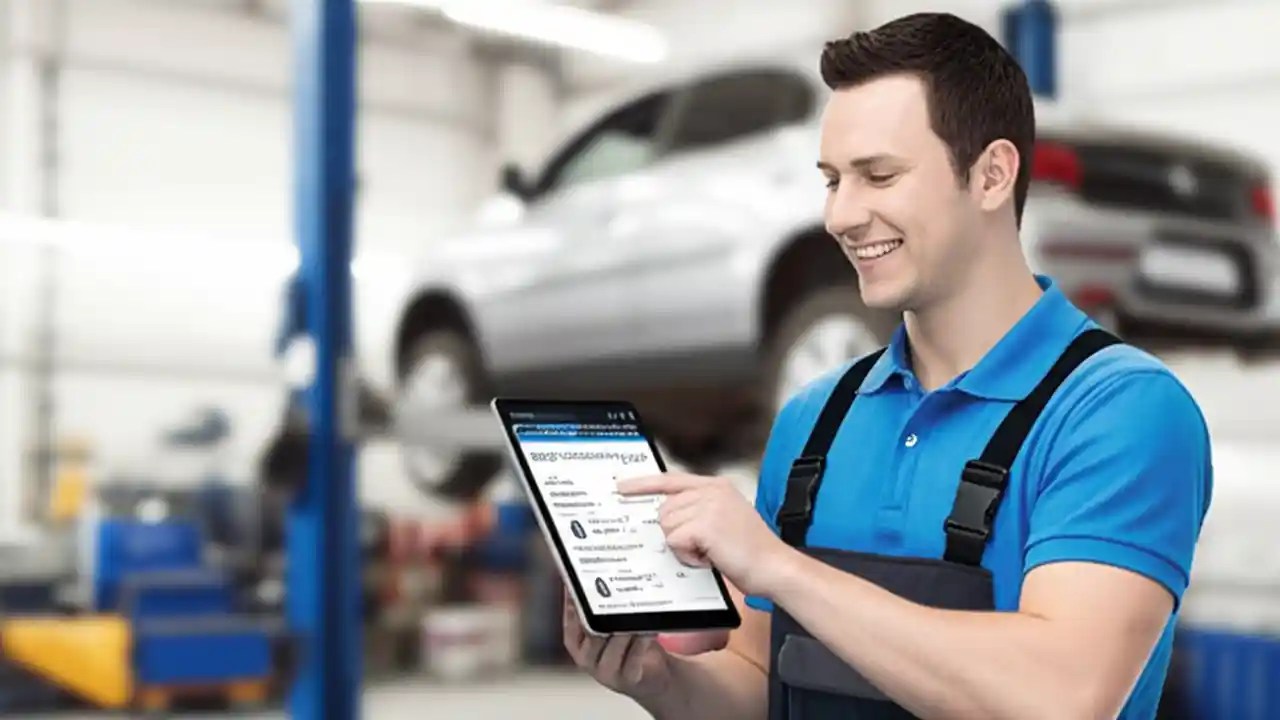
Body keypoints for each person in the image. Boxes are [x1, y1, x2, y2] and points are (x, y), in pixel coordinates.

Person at [561, 12, 1213, 720]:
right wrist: (658, 680)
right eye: (832, 180)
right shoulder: (813, 421)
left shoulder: (1122, 412)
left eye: (878, 176)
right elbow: (759, 681)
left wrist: (779, 566)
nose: (841, 214)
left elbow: (1060, 697)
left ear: (992, 175)